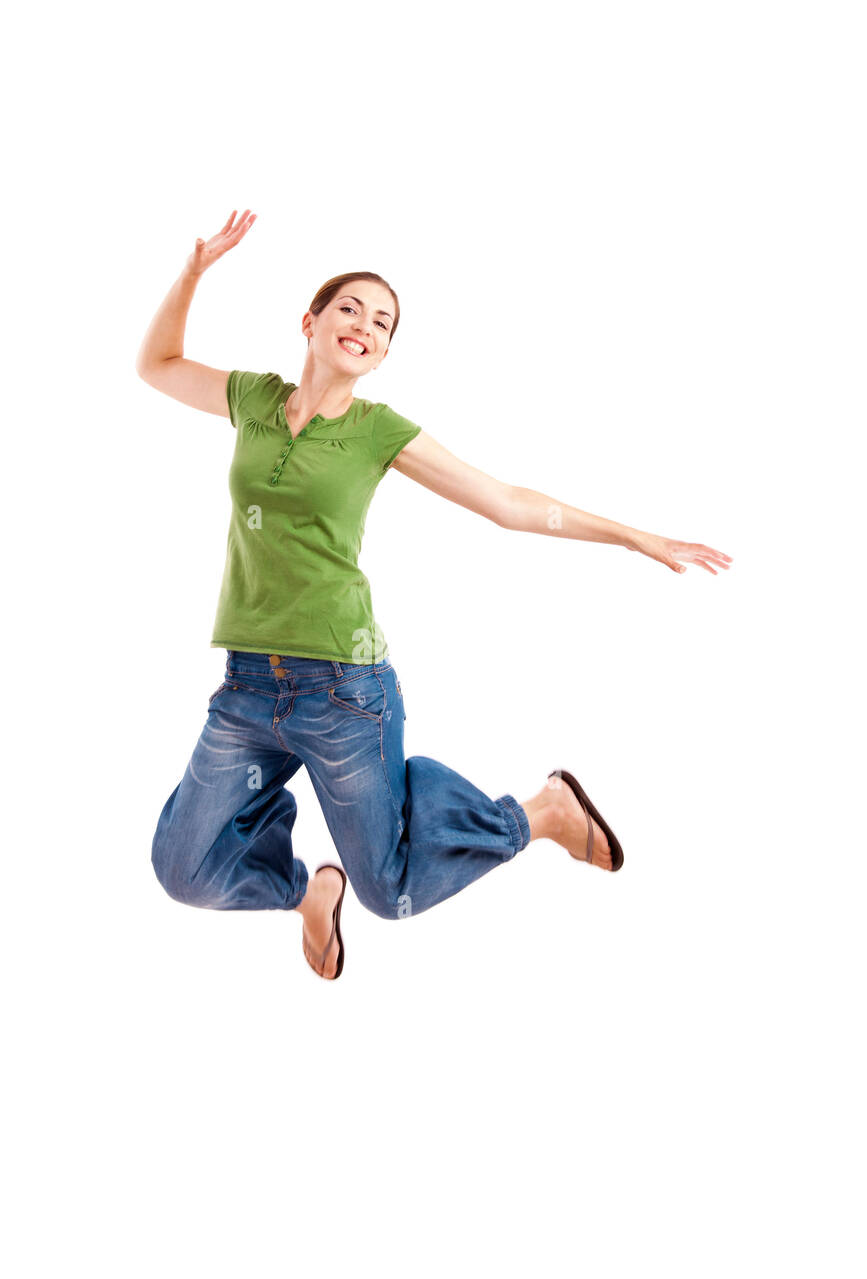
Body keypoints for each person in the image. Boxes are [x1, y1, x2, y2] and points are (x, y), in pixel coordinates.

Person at [136, 208, 733, 981]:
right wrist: (192, 272)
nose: (364, 324)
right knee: (184, 873)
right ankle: (305, 894)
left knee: (390, 894)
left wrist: (631, 535)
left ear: (381, 355)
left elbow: (509, 502)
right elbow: (157, 363)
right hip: (247, 688)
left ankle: (537, 812)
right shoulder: (253, 398)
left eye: (382, 322)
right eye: (349, 307)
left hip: (344, 694)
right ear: (310, 321)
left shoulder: (379, 432)